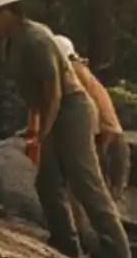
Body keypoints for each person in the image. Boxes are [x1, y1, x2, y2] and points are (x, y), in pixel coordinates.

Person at [0, 0, 132, 258]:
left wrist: (43, 132)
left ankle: (120, 256)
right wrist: (34, 126)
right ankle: (66, 242)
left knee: (87, 184)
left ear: (7, 12)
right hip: (52, 110)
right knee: (47, 182)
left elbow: (54, 90)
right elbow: (34, 92)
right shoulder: (10, 41)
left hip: (72, 111)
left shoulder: (36, 38)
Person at [53, 34, 129, 200]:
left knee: (96, 197)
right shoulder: (81, 72)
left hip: (104, 139)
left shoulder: (73, 75)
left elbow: (90, 114)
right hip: (111, 138)